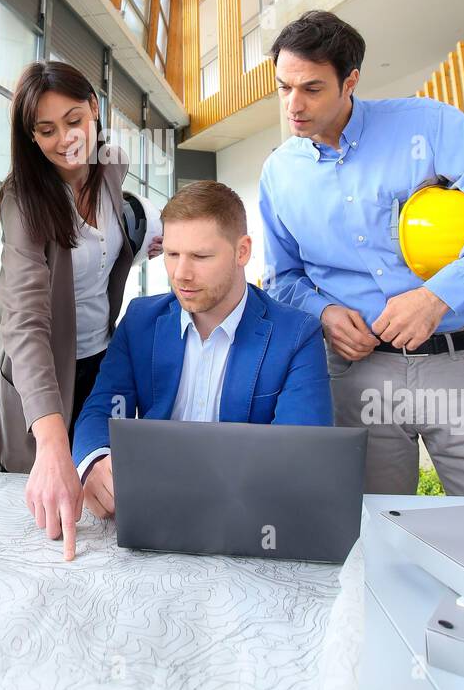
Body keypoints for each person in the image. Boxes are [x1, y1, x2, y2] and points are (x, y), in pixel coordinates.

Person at [258, 9, 464, 496]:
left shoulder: (429, 126)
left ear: (350, 81)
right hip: (354, 374)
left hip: (457, 363)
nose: (293, 105)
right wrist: (324, 312)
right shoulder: (279, 173)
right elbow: (282, 277)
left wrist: (438, 295)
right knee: (368, 534)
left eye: (311, 88)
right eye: (284, 87)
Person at [71, 180, 333, 526]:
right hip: (151, 514)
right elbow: (100, 409)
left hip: (249, 521)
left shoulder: (297, 335)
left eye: (200, 256)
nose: (181, 274)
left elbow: (301, 452)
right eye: (172, 255)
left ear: (242, 251)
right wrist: (95, 462)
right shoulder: (140, 321)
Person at [0, 61, 161, 552]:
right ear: (31, 137)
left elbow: (112, 238)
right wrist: (52, 440)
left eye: (74, 120)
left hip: (99, 365)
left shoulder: (109, 171)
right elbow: (25, 324)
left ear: (95, 111)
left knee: (106, 509)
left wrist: (152, 232)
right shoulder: (25, 201)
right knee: (44, 522)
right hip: (40, 377)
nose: (66, 139)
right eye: (46, 130)